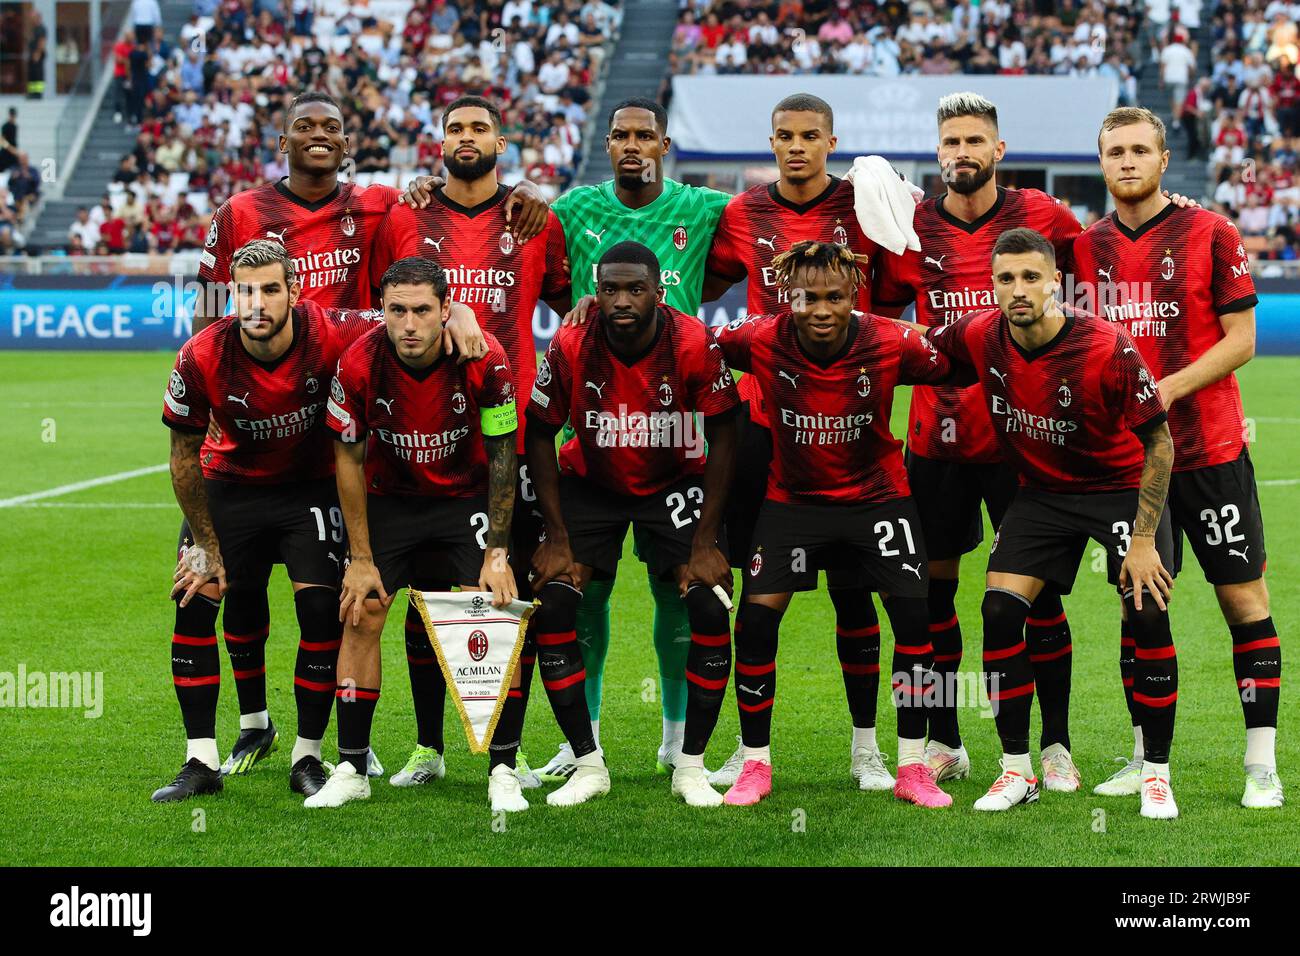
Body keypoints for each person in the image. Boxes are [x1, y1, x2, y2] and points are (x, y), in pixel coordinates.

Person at [152, 239, 482, 803]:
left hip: (308, 491)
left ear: (295, 293)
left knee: (321, 612)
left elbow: (409, 313)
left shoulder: (333, 328)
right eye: (245, 291)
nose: (257, 303)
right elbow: (183, 456)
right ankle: (199, 759)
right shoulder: (202, 355)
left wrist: (468, 311)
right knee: (196, 598)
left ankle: (308, 754)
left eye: (271, 290)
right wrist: (205, 542)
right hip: (228, 486)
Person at [925, 227, 1181, 819]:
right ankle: (1017, 769)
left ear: (1055, 283)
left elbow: (1160, 443)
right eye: (1006, 279)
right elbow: (918, 342)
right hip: (1042, 496)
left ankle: (1157, 774)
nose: (1018, 290)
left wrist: (1143, 540)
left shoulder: (1105, 347)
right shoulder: (980, 334)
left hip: (1118, 490)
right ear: (991, 286)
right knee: (998, 610)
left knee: (1146, 610)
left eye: (1031, 277)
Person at [1074, 107, 1283, 809]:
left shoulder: (1211, 232)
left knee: (1243, 601)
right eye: (1113, 152)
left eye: (1139, 150)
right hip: (1129, 467)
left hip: (1212, 452)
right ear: (1100, 162)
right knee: (1142, 608)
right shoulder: (1082, 249)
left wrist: (1162, 389)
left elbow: (1243, 338)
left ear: (1164, 160)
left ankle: (1261, 764)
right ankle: (1143, 756)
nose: (1126, 162)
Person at [872, 92, 1083, 789]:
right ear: (939, 154)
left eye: (975, 141)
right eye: (950, 142)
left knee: (1037, 600)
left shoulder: (1045, 218)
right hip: (937, 444)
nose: (962, 152)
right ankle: (946, 739)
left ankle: (1054, 747)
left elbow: (1088, 288)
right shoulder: (913, 226)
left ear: (998, 150)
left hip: (1025, 443)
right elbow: (875, 317)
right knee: (930, 600)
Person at [700, 92, 908, 791]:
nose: (797, 146)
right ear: (771, 140)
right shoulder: (741, 213)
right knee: (760, 602)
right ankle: (749, 749)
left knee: (856, 598)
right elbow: (692, 273)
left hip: (851, 429)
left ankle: (866, 747)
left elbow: (903, 283)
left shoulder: (866, 205)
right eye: (785, 135)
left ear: (831, 140)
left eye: (810, 136)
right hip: (767, 428)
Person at [713, 240, 966, 809]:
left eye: (834, 297)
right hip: (792, 502)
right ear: (787, 296)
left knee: (914, 626)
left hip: (878, 502)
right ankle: (755, 764)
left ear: (855, 294)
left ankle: (912, 766)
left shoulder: (888, 340)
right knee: (754, 625)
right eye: (807, 297)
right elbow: (683, 337)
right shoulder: (757, 338)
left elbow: (966, 354)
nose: (821, 309)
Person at [370, 95, 571, 789]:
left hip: (503, 436)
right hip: (417, 436)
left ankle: (509, 757)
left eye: (478, 127)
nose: (466, 136)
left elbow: (570, 305)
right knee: (427, 604)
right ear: (440, 137)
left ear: (501, 139)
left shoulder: (535, 218)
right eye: (454, 126)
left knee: (509, 596)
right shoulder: (405, 214)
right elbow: (381, 306)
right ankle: (429, 749)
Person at [525, 240, 740, 807]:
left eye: (635, 289)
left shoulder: (691, 340)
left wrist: (707, 540)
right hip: (592, 482)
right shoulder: (572, 343)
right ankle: (587, 761)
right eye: (611, 288)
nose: (622, 300)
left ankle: (689, 763)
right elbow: (538, 433)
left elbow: (724, 433)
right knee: (554, 605)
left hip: (672, 479)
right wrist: (555, 537)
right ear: (595, 293)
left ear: (658, 292)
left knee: (709, 603)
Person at [311, 257, 521, 810]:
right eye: (397, 310)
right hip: (392, 500)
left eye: (422, 310)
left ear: (446, 310)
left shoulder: (484, 359)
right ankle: (352, 768)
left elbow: (504, 453)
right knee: (362, 609)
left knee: (495, 608)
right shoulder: (360, 363)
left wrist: (498, 551)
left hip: (464, 498)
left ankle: (504, 769)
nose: (409, 324)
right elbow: (347, 460)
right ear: (382, 309)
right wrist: (360, 556)